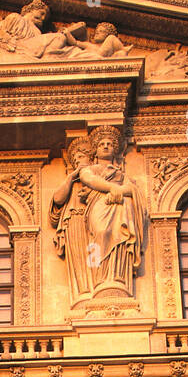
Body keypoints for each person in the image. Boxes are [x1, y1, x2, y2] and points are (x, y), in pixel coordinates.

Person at [49, 127, 146, 301]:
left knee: (116, 236)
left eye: (110, 144)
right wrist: (114, 188)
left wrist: (120, 191)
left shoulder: (119, 173)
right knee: (101, 233)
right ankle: (100, 279)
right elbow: (87, 180)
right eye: (102, 144)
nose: (106, 146)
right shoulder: (88, 173)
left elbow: (132, 189)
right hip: (96, 209)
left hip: (114, 207)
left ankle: (113, 278)